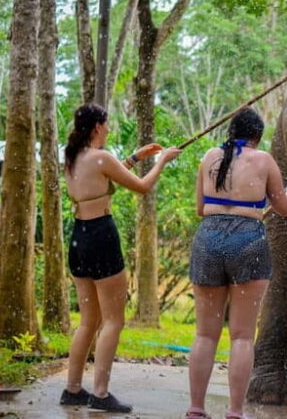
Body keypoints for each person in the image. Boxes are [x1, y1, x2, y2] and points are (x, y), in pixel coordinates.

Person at [60, 103, 182, 413]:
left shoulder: (72, 157)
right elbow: (141, 187)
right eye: (107, 123)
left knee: (89, 320)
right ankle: (100, 394)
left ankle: (72, 389)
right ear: (98, 127)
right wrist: (161, 161)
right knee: (114, 319)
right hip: (101, 236)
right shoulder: (101, 157)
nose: (110, 128)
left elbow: (105, 176)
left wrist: (137, 157)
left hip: (78, 238)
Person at [185, 108, 287, 419]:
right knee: (241, 335)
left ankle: (196, 409)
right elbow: (284, 208)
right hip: (248, 241)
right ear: (257, 136)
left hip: (208, 239)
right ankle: (235, 413)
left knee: (205, 335)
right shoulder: (264, 160)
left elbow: (201, 208)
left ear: (231, 132)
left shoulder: (209, 156)